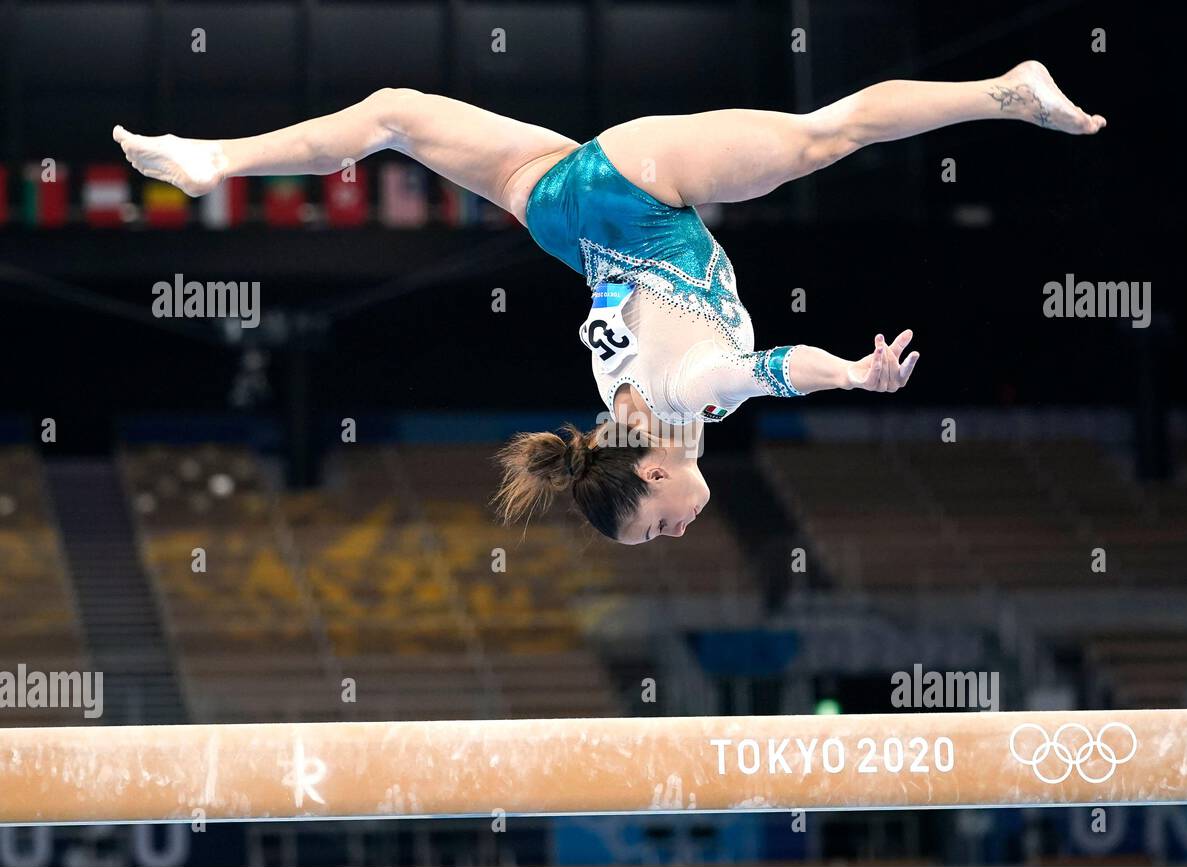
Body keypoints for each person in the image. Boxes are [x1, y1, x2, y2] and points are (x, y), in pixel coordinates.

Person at [114, 60, 1104, 544]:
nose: (679, 531)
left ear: (658, 471)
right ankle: (217, 160)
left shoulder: (684, 403)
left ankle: (1005, 91)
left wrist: (852, 372)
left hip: (636, 192)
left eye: (660, 526)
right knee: (392, 116)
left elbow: (763, 371)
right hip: (559, 216)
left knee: (823, 136)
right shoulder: (620, 412)